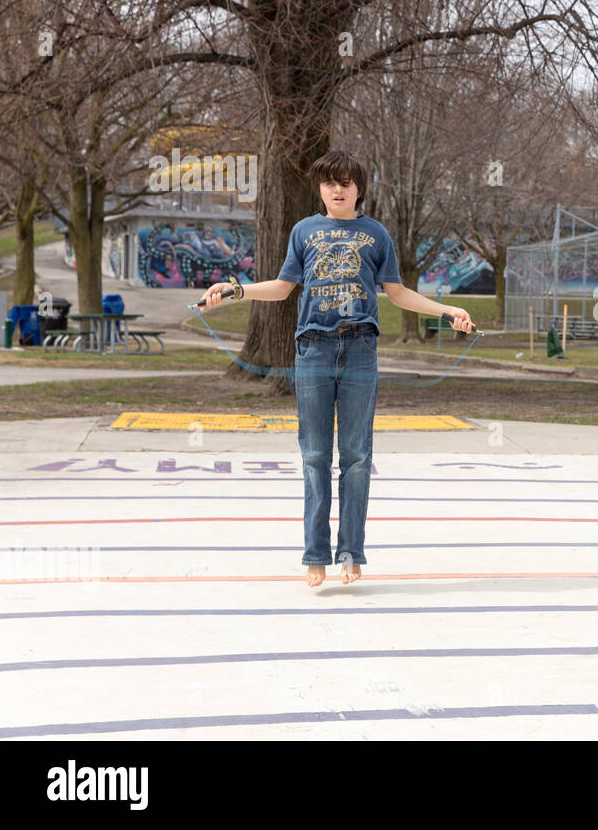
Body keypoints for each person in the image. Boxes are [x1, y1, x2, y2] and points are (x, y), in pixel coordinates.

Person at [197, 150, 474, 588]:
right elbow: (283, 287)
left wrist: (446, 310)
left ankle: (351, 552)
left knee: (358, 457)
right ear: (320, 189)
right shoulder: (304, 231)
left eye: (346, 182)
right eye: (329, 183)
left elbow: (398, 294)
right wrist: (235, 289)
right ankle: (315, 554)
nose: (338, 189)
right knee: (313, 456)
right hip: (314, 350)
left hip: (360, 347)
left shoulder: (376, 234)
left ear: (359, 189)